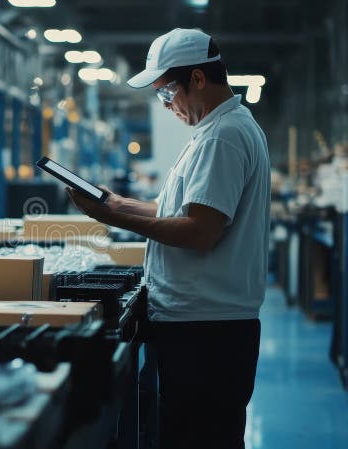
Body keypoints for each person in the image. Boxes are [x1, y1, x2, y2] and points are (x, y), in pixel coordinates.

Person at [67, 29, 270, 449]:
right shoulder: (214, 132)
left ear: (198, 79)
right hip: (205, 325)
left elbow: (200, 231)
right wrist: (117, 204)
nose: (167, 105)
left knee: (200, 439)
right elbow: (175, 211)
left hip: (207, 331)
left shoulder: (221, 137)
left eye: (167, 92)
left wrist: (115, 220)